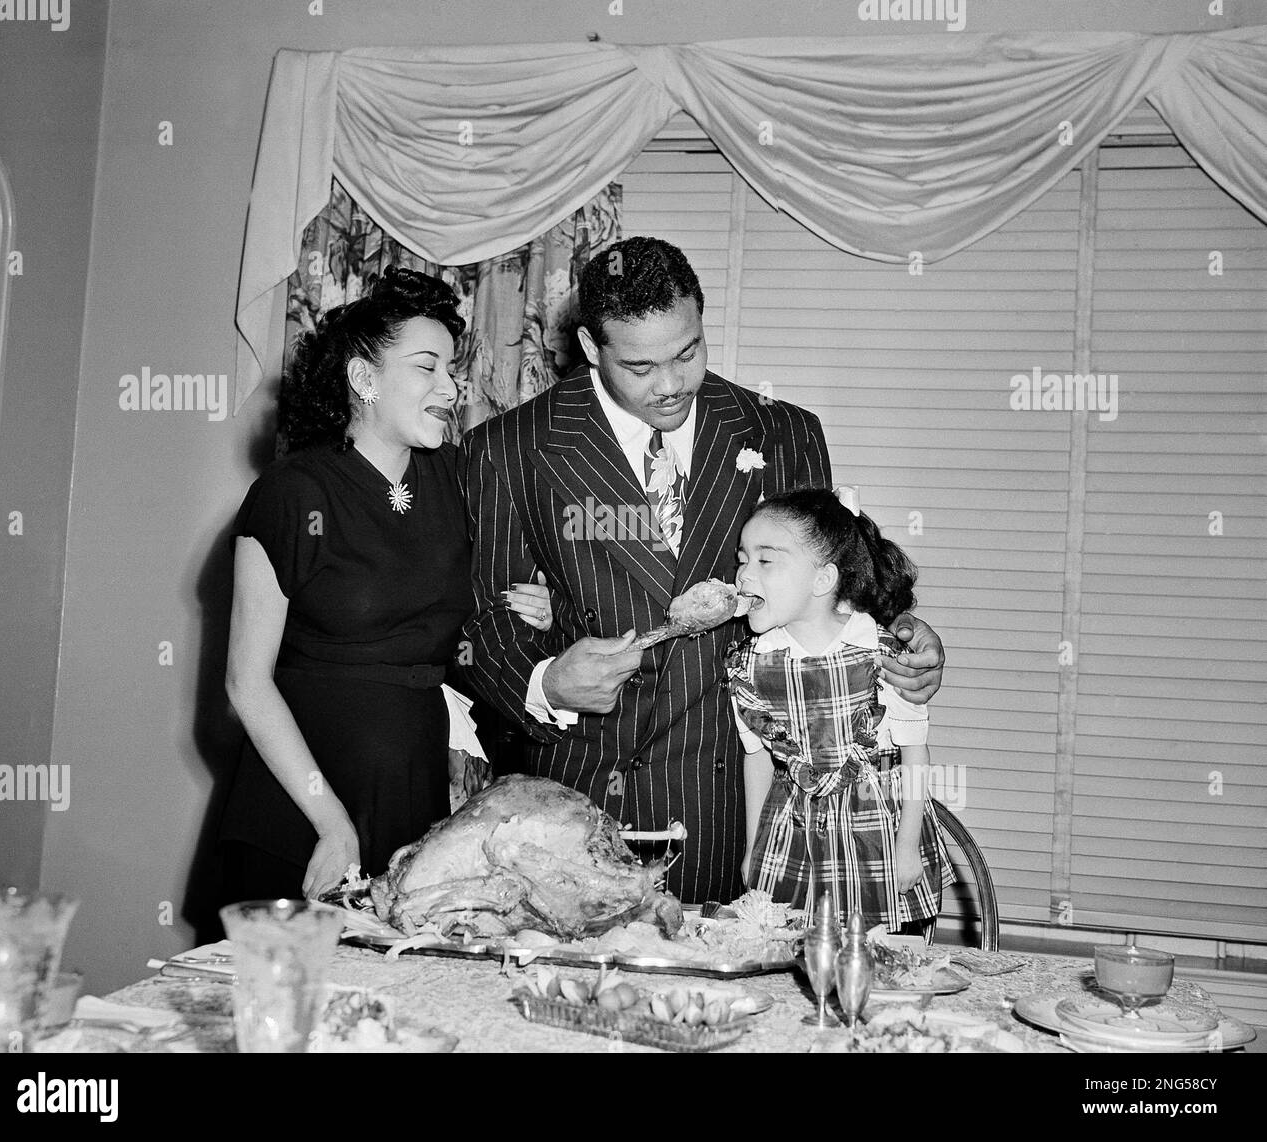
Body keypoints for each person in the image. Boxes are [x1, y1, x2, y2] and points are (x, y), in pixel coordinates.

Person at [459, 236, 946, 904]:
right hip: (582, 805)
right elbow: (482, 625)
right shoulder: (509, 447)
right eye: (640, 366)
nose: (670, 384)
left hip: (746, 812)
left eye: (687, 352)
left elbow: (837, 584)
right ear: (592, 349)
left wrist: (906, 639)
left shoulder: (783, 433)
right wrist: (548, 683)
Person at [218, 267, 548, 902]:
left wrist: (530, 607)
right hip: (303, 811)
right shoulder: (293, 494)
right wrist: (330, 821)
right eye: (427, 368)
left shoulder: (454, 479)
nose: (451, 388)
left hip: (410, 799)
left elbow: (453, 623)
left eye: (451, 370)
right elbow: (245, 683)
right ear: (364, 378)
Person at [727, 487, 955, 933]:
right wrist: (754, 845)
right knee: (792, 944)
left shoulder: (880, 654)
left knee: (879, 954)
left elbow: (914, 755)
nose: (743, 575)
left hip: (876, 831)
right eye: (742, 559)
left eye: (765, 560)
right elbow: (755, 757)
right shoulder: (751, 664)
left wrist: (907, 847)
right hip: (792, 832)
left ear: (823, 579)